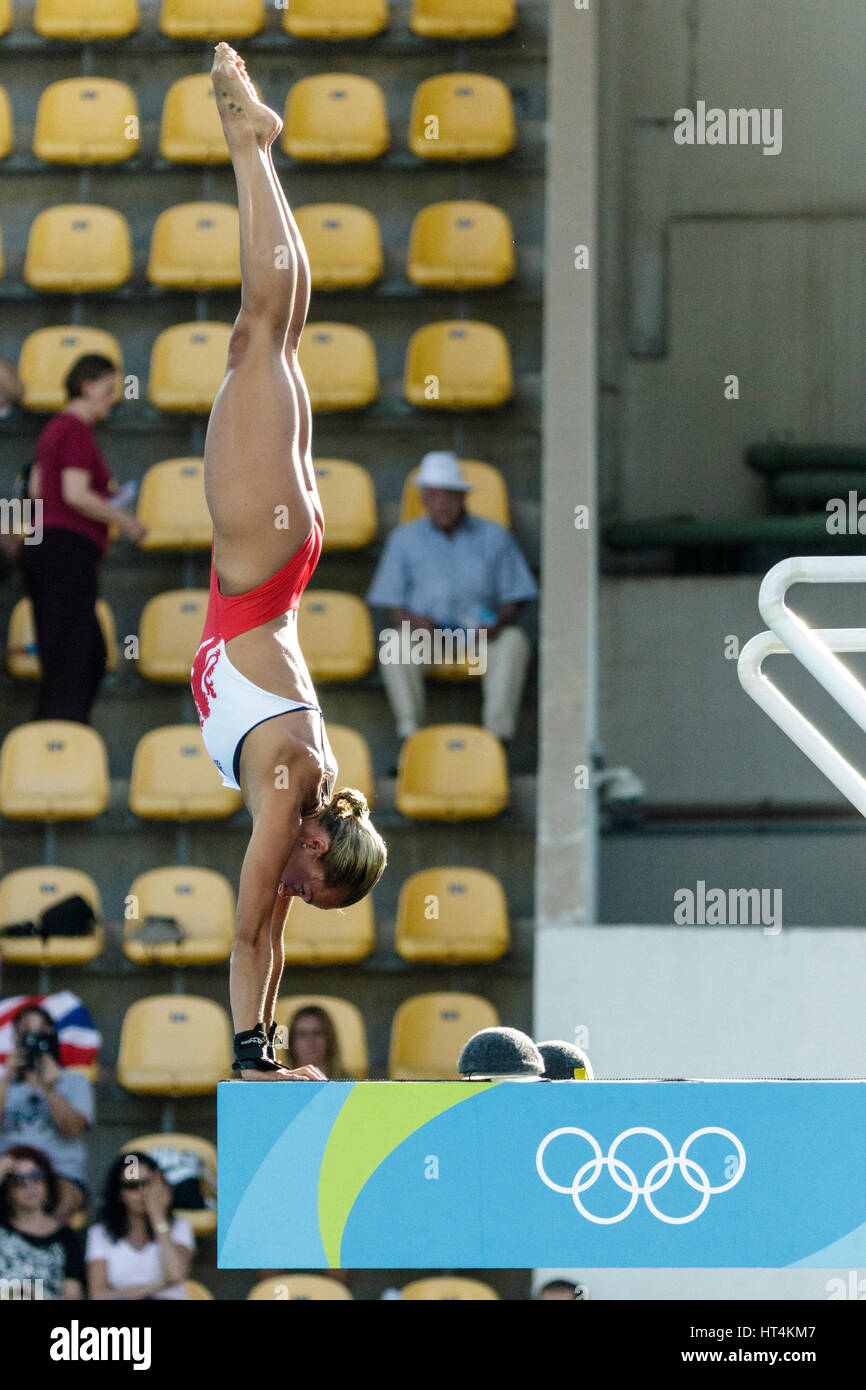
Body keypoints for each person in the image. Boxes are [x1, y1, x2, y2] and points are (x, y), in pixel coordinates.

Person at [189, 44, 387, 1080]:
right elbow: (248, 934)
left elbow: (270, 933)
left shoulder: (308, 793)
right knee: (261, 332)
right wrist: (249, 1051)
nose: (294, 895)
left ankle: (254, 150)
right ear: (321, 850)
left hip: (274, 558)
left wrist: (264, 1051)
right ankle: (249, 144)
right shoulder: (292, 785)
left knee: (274, 339)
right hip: (259, 560)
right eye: (313, 886)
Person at [366, 450, 538, 743]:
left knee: (514, 642)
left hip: (481, 637)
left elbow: (515, 596)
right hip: (429, 638)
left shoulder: (494, 536)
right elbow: (393, 604)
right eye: (433, 496)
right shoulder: (404, 539)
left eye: (449, 495)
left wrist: (499, 620)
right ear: (423, 499)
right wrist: (413, 622)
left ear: (462, 497)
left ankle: (498, 739)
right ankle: (411, 737)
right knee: (393, 642)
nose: (441, 504)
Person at [19, 352, 147, 723]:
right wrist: (125, 520)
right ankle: (59, 745)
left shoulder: (54, 429)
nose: (114, 398)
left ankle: (57, 741)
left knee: (78, 656)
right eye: (108, 390)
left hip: (47, 550)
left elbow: (38, 487)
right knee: (73, 662)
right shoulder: (75, 428)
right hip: (65, 553)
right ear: (86, 386)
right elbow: (74, 494)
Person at [0, 1003, 94, 1223]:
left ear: (53, 1038)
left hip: (60, 1173)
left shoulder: (75, 1081)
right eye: (25, 1032)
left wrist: (50, 1090)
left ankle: (46, 1246)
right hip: (11, 1169)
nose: (33, 1040)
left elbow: (73, 1130)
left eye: (41, 1031)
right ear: (15, 1040)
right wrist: (6, 1080)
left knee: (66, 1198)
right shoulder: (3, 1083)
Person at [86, 1152, 194, 1301]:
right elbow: (97, 1295)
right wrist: (158, 1286)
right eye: (132, 1186)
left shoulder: (180, 1227)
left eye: (148, 1184)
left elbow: (175, 1274)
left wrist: (157, 1215)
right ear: (119, 1193)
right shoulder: (99, 1233)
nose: (142, 1192)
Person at [0, 1146, 85, 1300]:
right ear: (7, 1190)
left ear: (47, 1182)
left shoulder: (67, 1237)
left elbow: (72, 1295)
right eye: (17, 1180)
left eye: (36, 1176)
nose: (29, 1185)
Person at [284, 1004, 346, 1078]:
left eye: (317, 1033)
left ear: (329, 1039)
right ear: (291, 1042)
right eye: (302, 1034)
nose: (310, 1041)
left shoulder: (350, 1083)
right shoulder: (276, 1084)